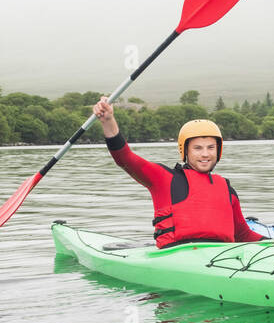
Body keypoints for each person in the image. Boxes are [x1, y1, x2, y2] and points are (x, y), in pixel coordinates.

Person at [92, 100, 265, 248]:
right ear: (185, 151)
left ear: (218, 151)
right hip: (176, 256)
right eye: (197, 148)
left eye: (211, 147)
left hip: (221, 257)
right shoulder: (164, 178)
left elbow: (243, 234)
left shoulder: (228, 190)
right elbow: (125, 159)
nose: (205, 154)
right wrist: (108, 121)